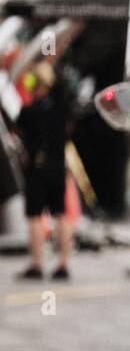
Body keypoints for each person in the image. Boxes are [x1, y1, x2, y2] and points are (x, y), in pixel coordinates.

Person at [15, 62, 73, 281]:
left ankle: (37, 263)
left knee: (35, 217)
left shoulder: (29, 111)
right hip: (58, 167)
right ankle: (63, 263)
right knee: (61, 214)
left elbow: (20, 133)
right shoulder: (61, 111)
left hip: (38, 170)